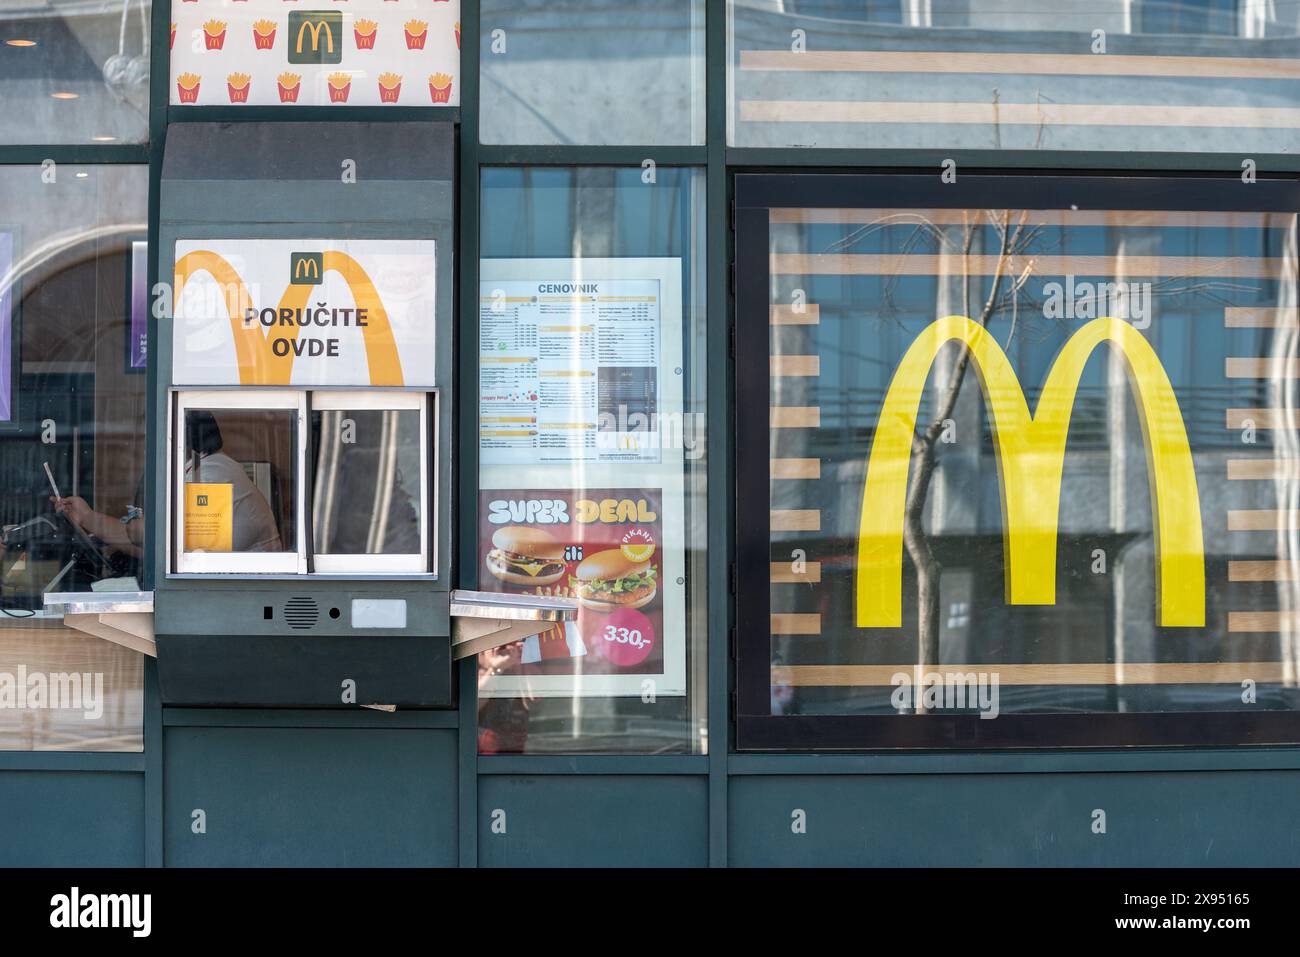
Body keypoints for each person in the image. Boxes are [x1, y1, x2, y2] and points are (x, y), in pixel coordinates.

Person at [53, 410, 283, 555]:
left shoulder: (210, 475)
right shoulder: (201, 467)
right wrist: (86, 517)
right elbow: (148, 544)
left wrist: (139, 522)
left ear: (177, 438)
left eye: (150, 438)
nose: (145, 448)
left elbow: (144, 534)